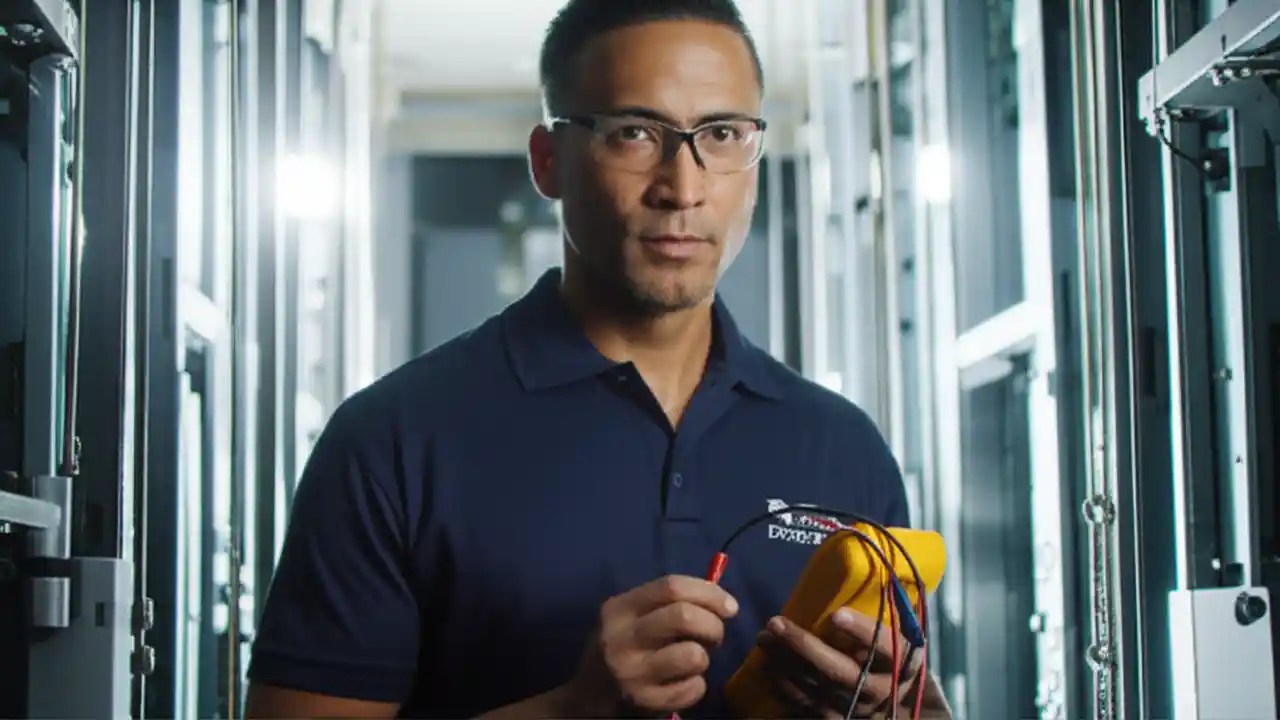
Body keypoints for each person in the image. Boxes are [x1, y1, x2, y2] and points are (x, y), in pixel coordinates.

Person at [244, 0, 950, 717]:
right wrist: (568, 710)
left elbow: (922, 702)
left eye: (723, 133)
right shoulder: (392, 439)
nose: (684, 186)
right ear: (548, 162)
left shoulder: (843, 445)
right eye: (635, 132)